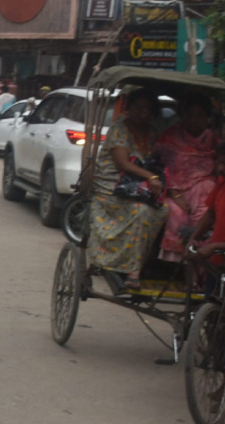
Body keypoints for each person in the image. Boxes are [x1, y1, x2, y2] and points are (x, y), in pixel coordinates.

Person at [86, 89, 168, 290]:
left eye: (147, 109)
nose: (142, 112)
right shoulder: (119, 129)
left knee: (165, 210)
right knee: (141, 211)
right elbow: (122, 163)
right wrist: (151, 177)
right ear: (129, 109)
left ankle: (147, 263)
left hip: (140, 185)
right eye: (138, 108)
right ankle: (133, 270)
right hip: (112, 184)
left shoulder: (151, 132)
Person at [155, 94, 219, 262]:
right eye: (189, 115)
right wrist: (174, 193)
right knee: (175, 214)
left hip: (206, 191)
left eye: (199, 116)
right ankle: (174, 263)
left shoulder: (214, 140)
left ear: (207, 118)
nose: (194, 120)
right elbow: (159, 169)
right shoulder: (170, 137)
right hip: (172, 191)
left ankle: (199, 263)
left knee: (205, 215)